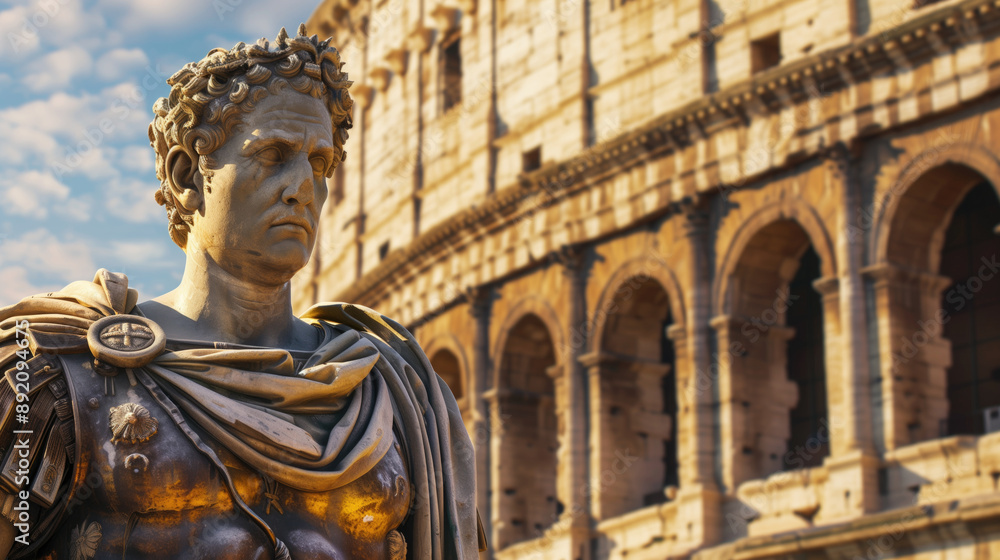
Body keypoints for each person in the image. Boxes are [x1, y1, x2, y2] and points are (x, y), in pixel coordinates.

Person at [0, 25, 483, 559]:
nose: (303, 187)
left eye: (319, 164)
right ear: (188, 175)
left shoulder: (393, 392)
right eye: (274, 155)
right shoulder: (54, 371)